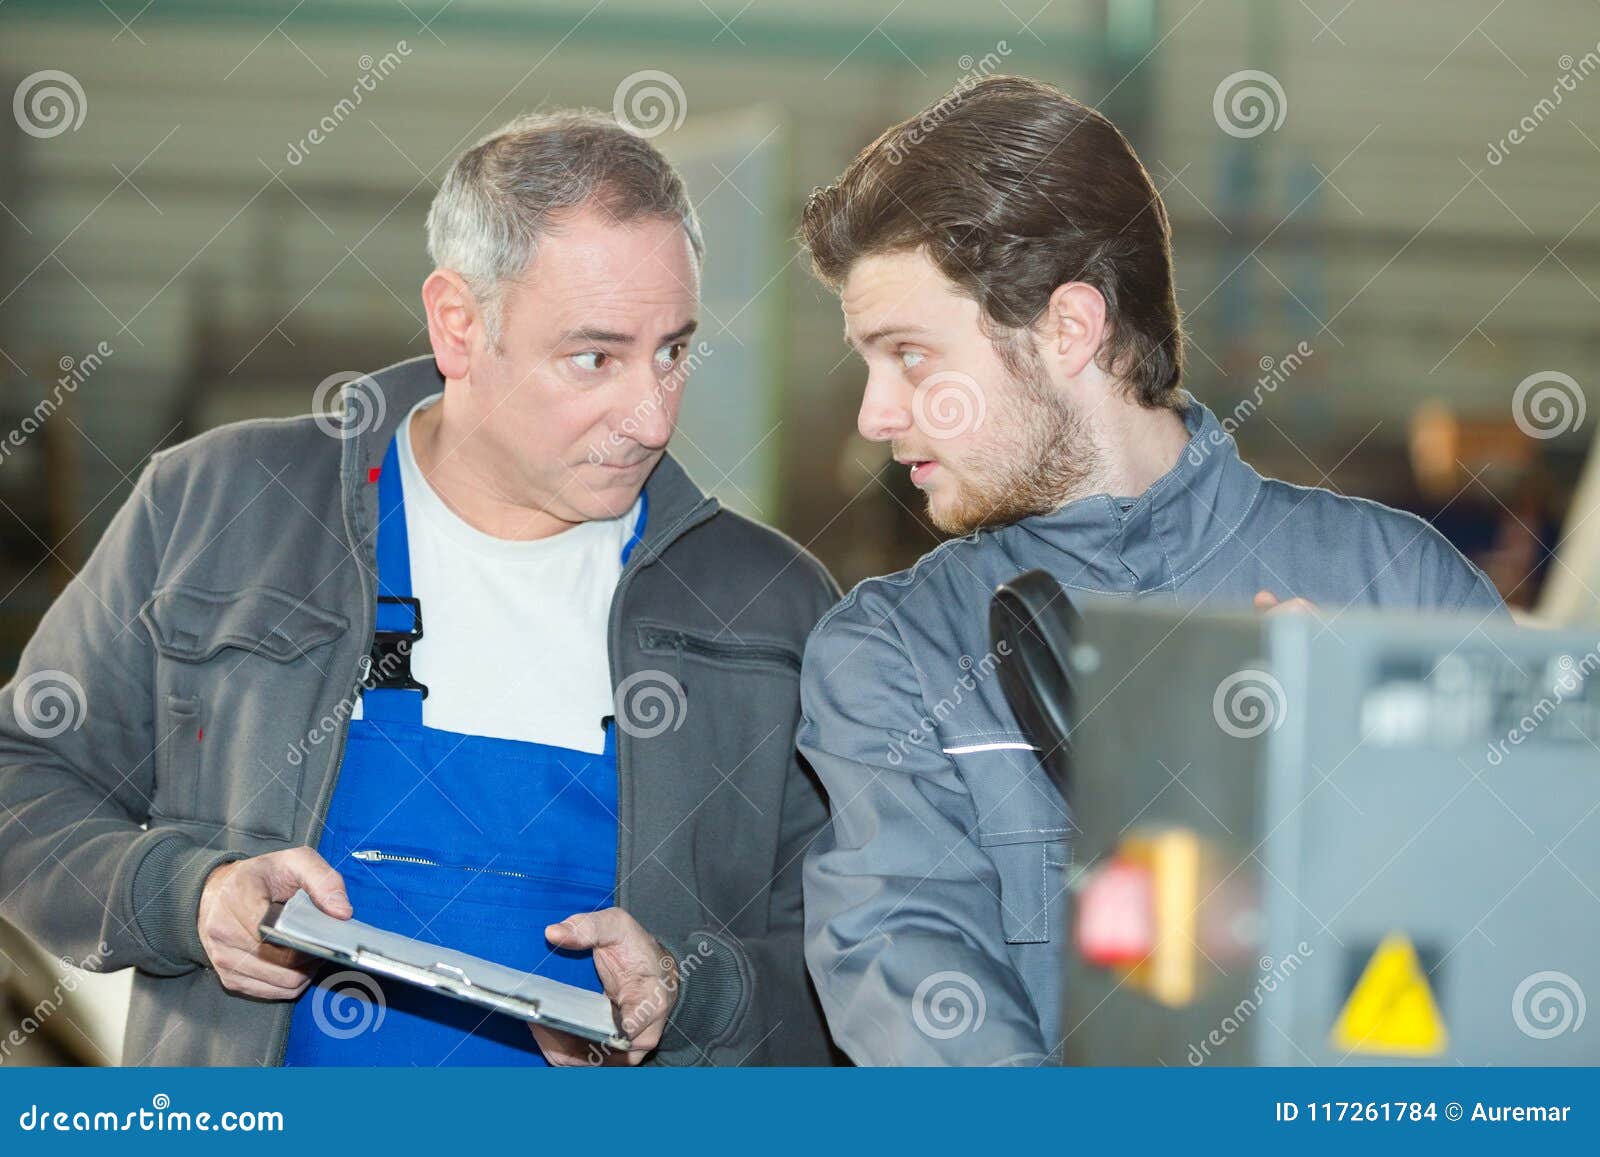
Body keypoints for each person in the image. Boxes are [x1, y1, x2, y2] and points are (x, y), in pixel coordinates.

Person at [0, 110, 837, 1067]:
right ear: (460, 324)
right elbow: (20, 779)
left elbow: (842, 963)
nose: (650, 417)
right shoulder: (223, 509)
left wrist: (693, 994)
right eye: (595, 357)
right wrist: (185, 896)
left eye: (675, 351)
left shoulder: (769, 609)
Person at [795, 76, 1505, 1065]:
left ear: (1069, 328)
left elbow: (1532, 951)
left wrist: (1380, 787)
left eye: (909, 355)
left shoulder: (1397, 592)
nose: (875, 414)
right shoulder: (894, 657)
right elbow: (910, 967)